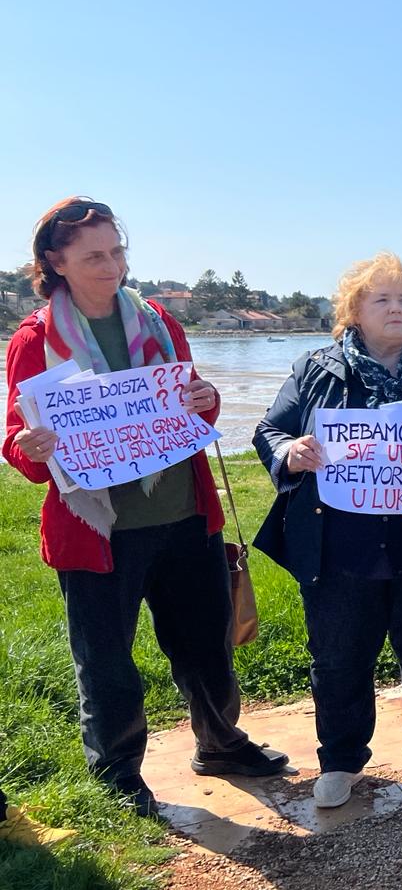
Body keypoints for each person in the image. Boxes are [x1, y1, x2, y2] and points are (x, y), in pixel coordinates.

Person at [2, 197, 287, 818]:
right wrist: (30, 446)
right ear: (56, 262)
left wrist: (206, 398)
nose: (112, 266)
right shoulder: (33, 339)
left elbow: (191, 406)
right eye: (94, 256)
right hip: (97, 530)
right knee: (106, 661)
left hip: (185, 515)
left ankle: (221, 745)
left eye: (117, 252)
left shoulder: (158, 320)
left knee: (207, 646)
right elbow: (19, 446)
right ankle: (117, 777)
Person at [252, 252, 402, 808]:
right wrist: (290, 452)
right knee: (338, 655)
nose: (397, 308)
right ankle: (340, 758)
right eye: (381, 298)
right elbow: (270, 429)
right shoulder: (315, 369)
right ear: (353, 311)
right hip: (339, 546)